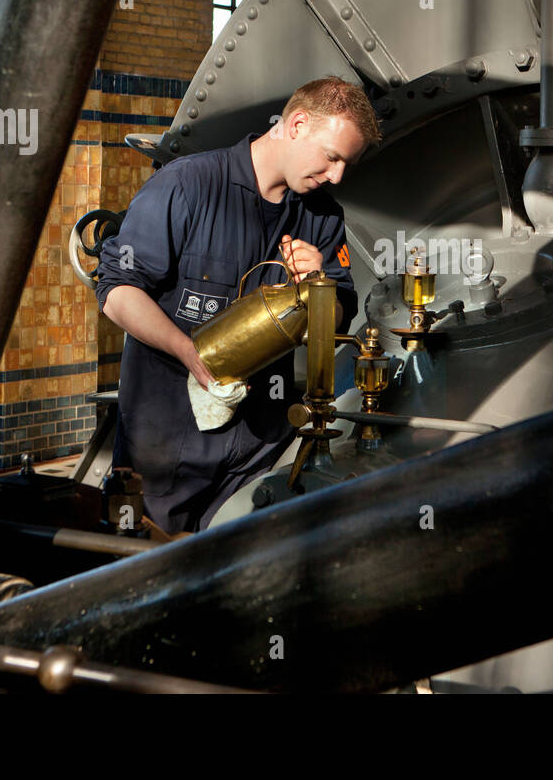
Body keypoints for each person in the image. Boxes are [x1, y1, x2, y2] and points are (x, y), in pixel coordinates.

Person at [94, 76, 379, 534]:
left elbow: (342, 309)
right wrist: (191, 351)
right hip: (164, 451)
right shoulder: (187, 186)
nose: (338, 175)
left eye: (347, 164)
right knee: (148, 574)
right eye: (332, 157)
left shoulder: (323, 216)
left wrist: (319, 289)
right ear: (298, 124)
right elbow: (118, 292)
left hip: (259, 449)